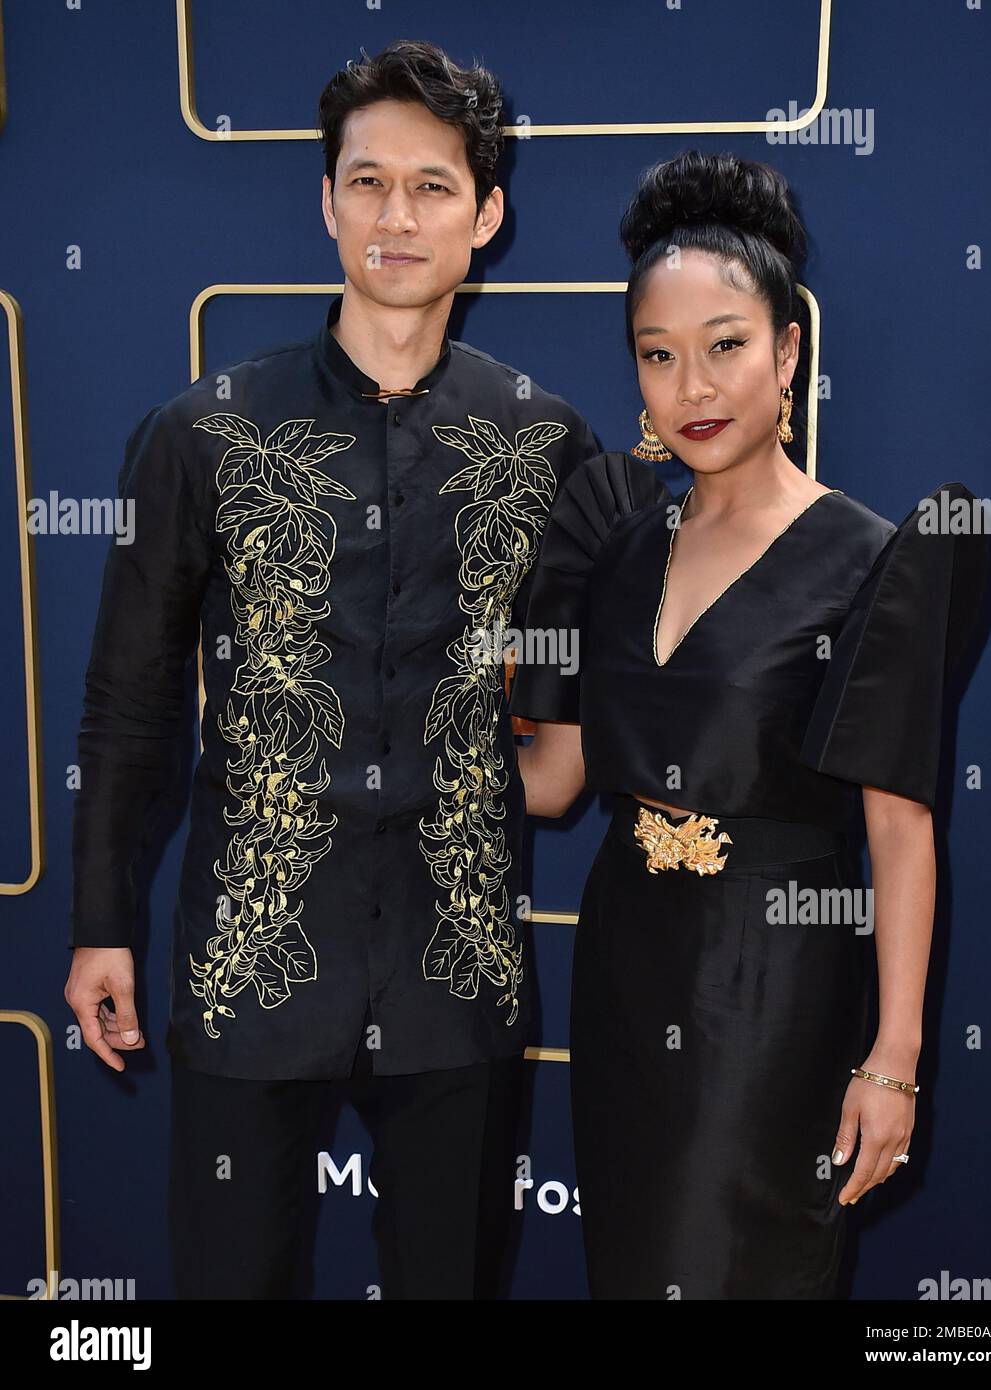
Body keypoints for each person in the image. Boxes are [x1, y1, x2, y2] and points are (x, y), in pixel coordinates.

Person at [63, 39, 598, 1300]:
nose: (395, 216)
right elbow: (129, 701)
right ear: (325, 201)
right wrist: (99, 926)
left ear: (488, 216)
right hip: (252, 970)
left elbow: (568, 701)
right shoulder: (201, 432)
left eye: (431, 186)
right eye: (367, 182)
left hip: (456, 976)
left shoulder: (548, 441)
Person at [508, 151, 989, 1299]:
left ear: (786, 352)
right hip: (628, 970)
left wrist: (896, 1060)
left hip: (778, 982)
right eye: (660, 356)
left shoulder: (870, 560)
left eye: (726, 345)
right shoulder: (615, 548)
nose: (694, 386)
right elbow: (555, 780)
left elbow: (901, 829)